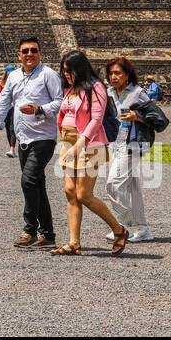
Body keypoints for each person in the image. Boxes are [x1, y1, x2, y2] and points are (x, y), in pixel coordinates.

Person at [50, 49, 129, 256]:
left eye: (69, 71)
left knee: (84, 194)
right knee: (70, 191)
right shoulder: (71, 88)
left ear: (80, 68)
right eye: (64, 71)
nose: (66, 75)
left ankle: (119, 230)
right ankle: (74, 243)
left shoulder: (96, 87)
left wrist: (80, 143)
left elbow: (96, 119)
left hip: (89, 143)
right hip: (68, 142)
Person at [0, 37, 62, 249]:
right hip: (23, 139)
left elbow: (60, 101)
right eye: (25, 51)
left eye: (34, 50)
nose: (30, 54)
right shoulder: (13, 76)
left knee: (28, 181)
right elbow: (3, 102)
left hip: (44, 138)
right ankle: (47, 234)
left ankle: (29, 229)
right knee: (37, 185)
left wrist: (39, 109)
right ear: (19, 55)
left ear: (40, 53)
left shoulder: (48, 74)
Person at [103, 57, 159, 243]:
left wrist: (138, 116)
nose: (113, 76)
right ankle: (143, 229)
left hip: (133, 144)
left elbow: (157, 117)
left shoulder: (138, 93)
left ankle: (122, 226)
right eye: (111, 73)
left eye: (118, 73)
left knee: (113, 184)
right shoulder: (108, 92)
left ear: (127, 75)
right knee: (131, 187)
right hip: (115, 144)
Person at [0, 64, 17, 156]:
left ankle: (12, 149)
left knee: (12, 127)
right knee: (8, 128)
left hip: (15, 107)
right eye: (9, 73)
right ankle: (11, 149)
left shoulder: (18, 81)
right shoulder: (2, 83)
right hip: (6, 108)